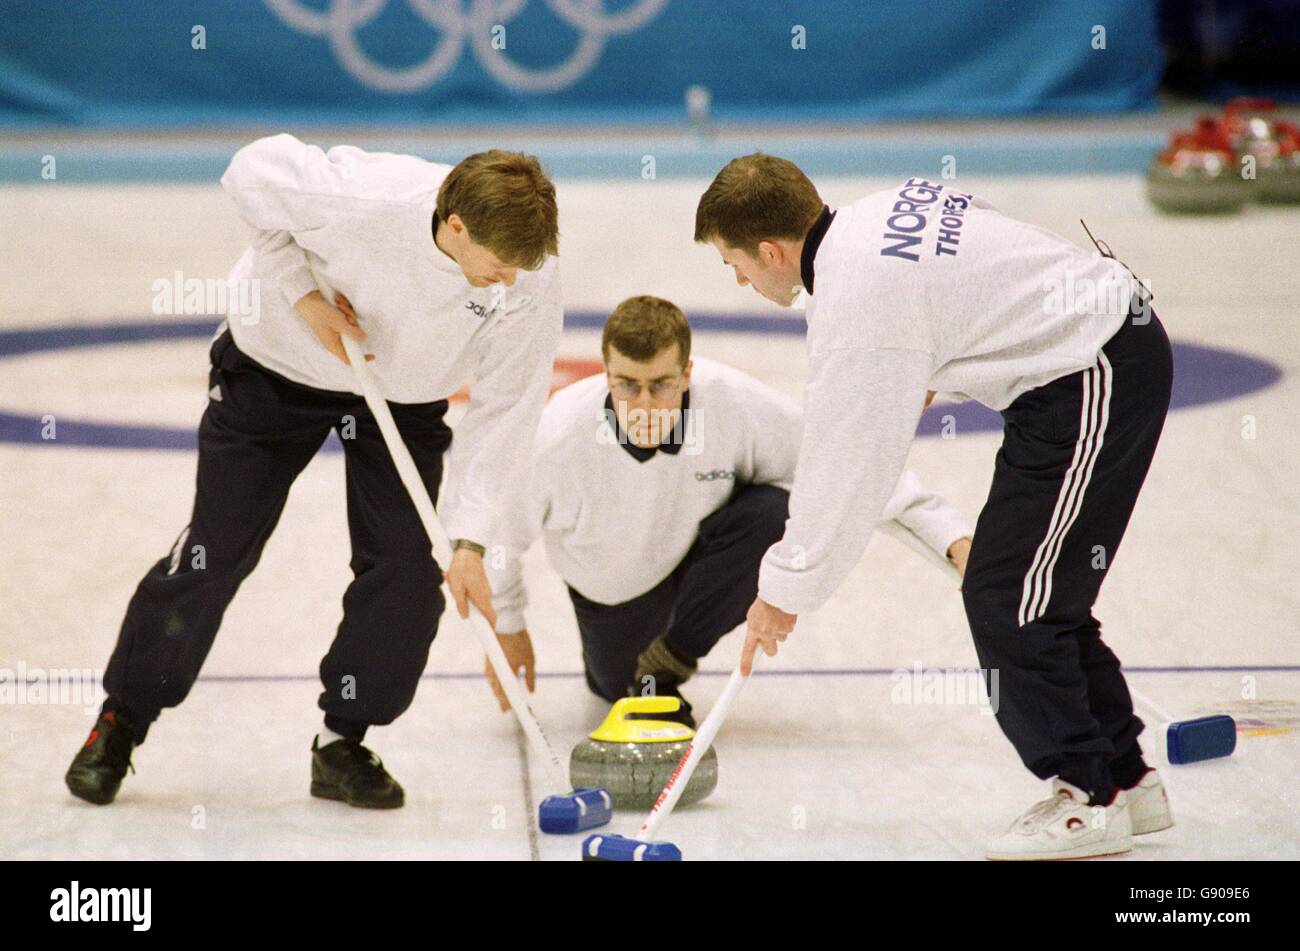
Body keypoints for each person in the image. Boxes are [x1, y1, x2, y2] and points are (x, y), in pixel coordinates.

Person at [695, 154, 1174, 860]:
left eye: (735, 263)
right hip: (1082, 367)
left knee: (1011, 600)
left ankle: (1087, 795)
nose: (740, 279)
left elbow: (844, 466)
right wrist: (923, 365)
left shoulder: (857, 301)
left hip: (1091, 372)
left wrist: (787, 586)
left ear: (771, 251)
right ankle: (1126, 781)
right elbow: (971, 269)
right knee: (1037, 595)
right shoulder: (871, 217)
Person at [65, 134, 562, 809]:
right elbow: (247, 175)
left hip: (403, 392)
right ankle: (122, 716)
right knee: (217, 551)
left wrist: (471, 539)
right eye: (497, 266)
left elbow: (504, 412)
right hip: (278, 363)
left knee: (412, 570)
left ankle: (342, 738)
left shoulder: (528, 274)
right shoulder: (359, 197)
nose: (508, 281)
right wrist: (302, 295)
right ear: (455, 225)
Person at [481, 295, 972, 727]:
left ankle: (669, 660)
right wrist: (508, 625)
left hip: (707, 557)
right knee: (617, 688)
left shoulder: (732, 403)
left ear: (687, 373)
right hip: (616, 594)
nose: (644, 404)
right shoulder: (556, 438)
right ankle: (640, 670)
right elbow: (500, 538)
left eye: (662, 384)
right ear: (604, 374)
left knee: (776, 513)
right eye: (627, 385)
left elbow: (842, 467)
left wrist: (950, 538)